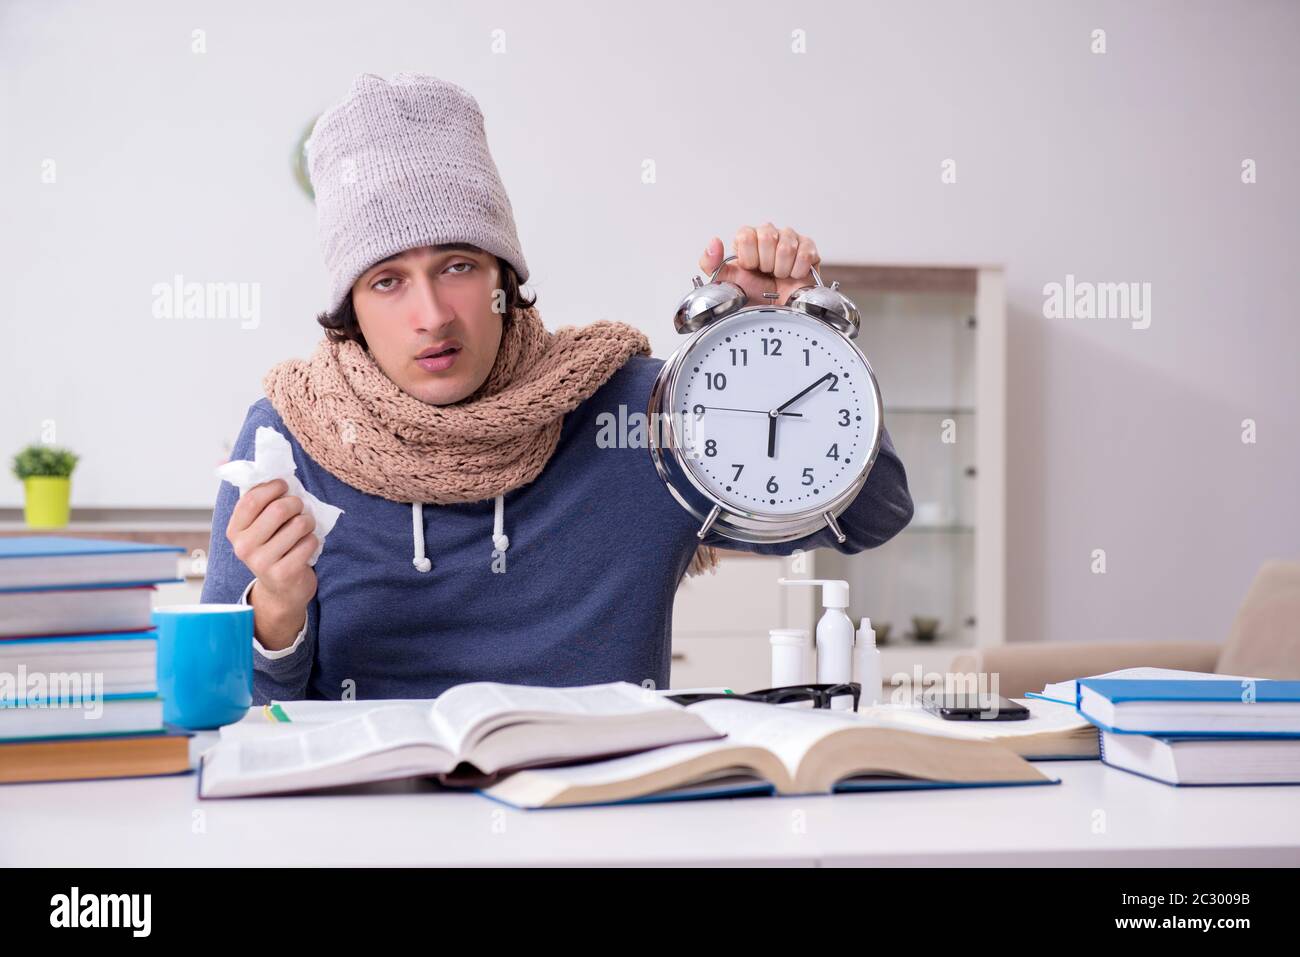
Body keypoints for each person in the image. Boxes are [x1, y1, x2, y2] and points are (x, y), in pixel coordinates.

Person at [200, 72, 914, 703]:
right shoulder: (289, 437)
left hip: (596, 826)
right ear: (347, 310)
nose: (433, 315)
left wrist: (790, 350)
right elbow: (235, 703)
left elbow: (874, 513)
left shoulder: (642, 410)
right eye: (387, 281)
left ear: (506, 277)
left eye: (458, 266)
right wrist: (279, 607)